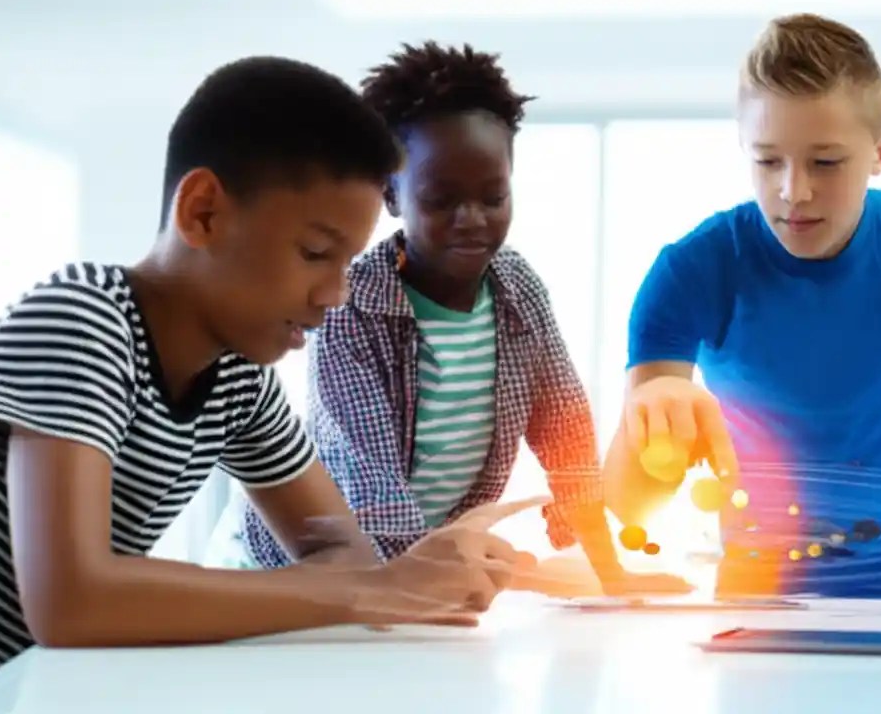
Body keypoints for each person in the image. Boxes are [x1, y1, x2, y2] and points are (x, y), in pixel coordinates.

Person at [0, 55, 537, 670]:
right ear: (202, 212)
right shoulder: (81, 316)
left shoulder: (237, 379)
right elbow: (69, 603)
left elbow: (347, 559)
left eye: (346, 263)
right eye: (314, 253)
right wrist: (371, 590)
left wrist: (373, 584)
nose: (335, 296)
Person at [232, 41, 687, 598]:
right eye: (442, 200)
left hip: (410, 568)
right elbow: (374, 487)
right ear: (391, 196)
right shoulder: (350, 311)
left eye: (493, 197)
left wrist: (608, 573)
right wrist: (506, 577)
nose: (471, 220)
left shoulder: (518, 292)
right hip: (293, 563)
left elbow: (566, 433)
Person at [605, 13, 881, 599]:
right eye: (768, 161)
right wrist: (650, 422)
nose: (794, 191)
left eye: (826, 162)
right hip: (760, 590)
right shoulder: (690, 270)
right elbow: (629, 501)